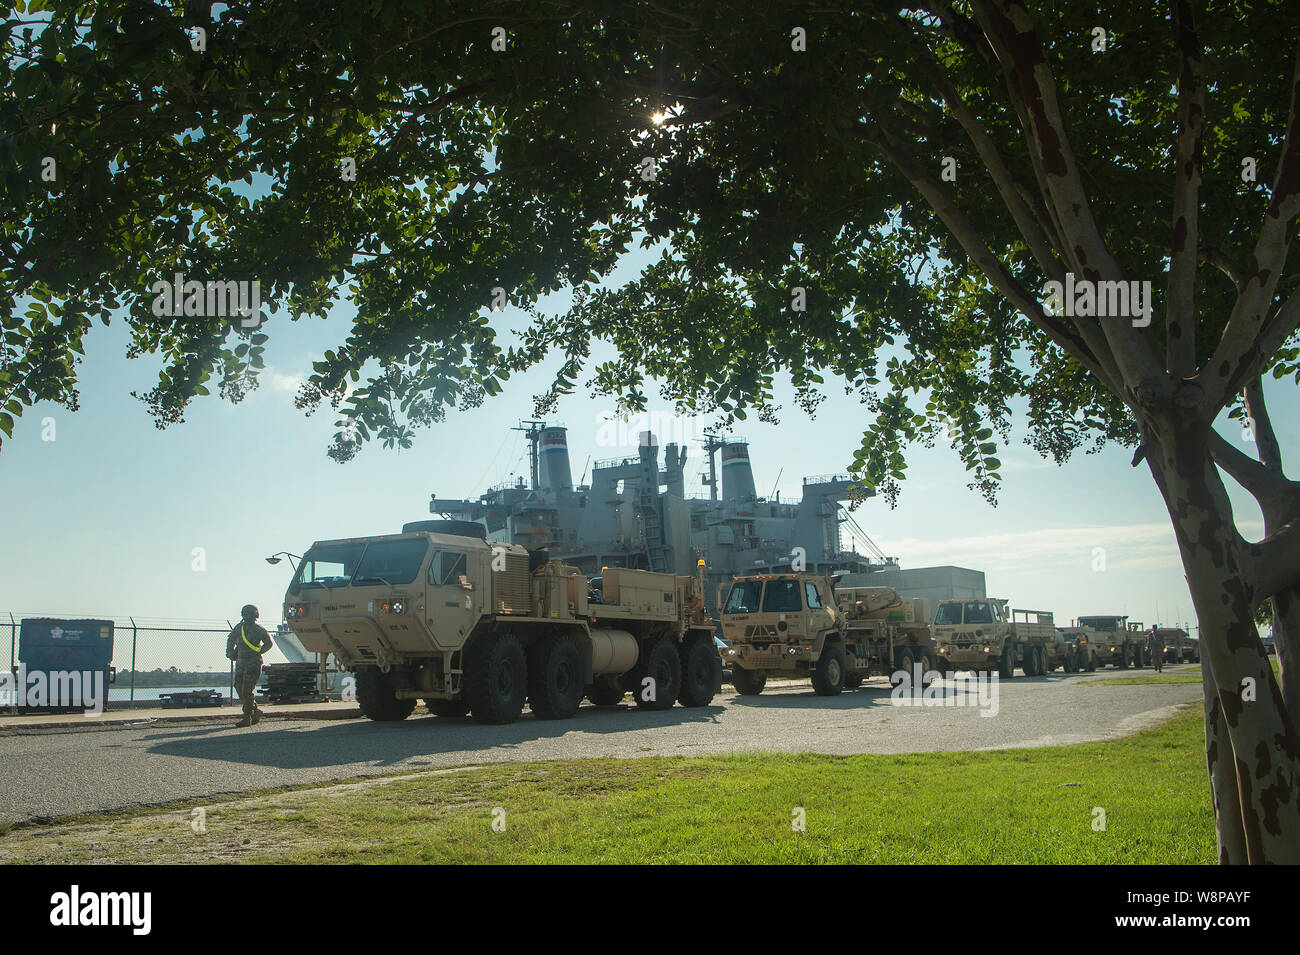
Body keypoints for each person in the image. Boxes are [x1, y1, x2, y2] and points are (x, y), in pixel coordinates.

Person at [226, 604, 273, 726]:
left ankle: (247, 717)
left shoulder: (259, 629)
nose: (247, 617)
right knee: (238, 687)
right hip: (241, 662)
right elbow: (231, 639)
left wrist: (258, 652)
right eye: (245, 614)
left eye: (250, 614)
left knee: (247, 690)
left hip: (253, 663)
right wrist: (230, 652)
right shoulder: (239, 628)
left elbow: (268, 643)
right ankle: (255, 711)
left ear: (255, 616)